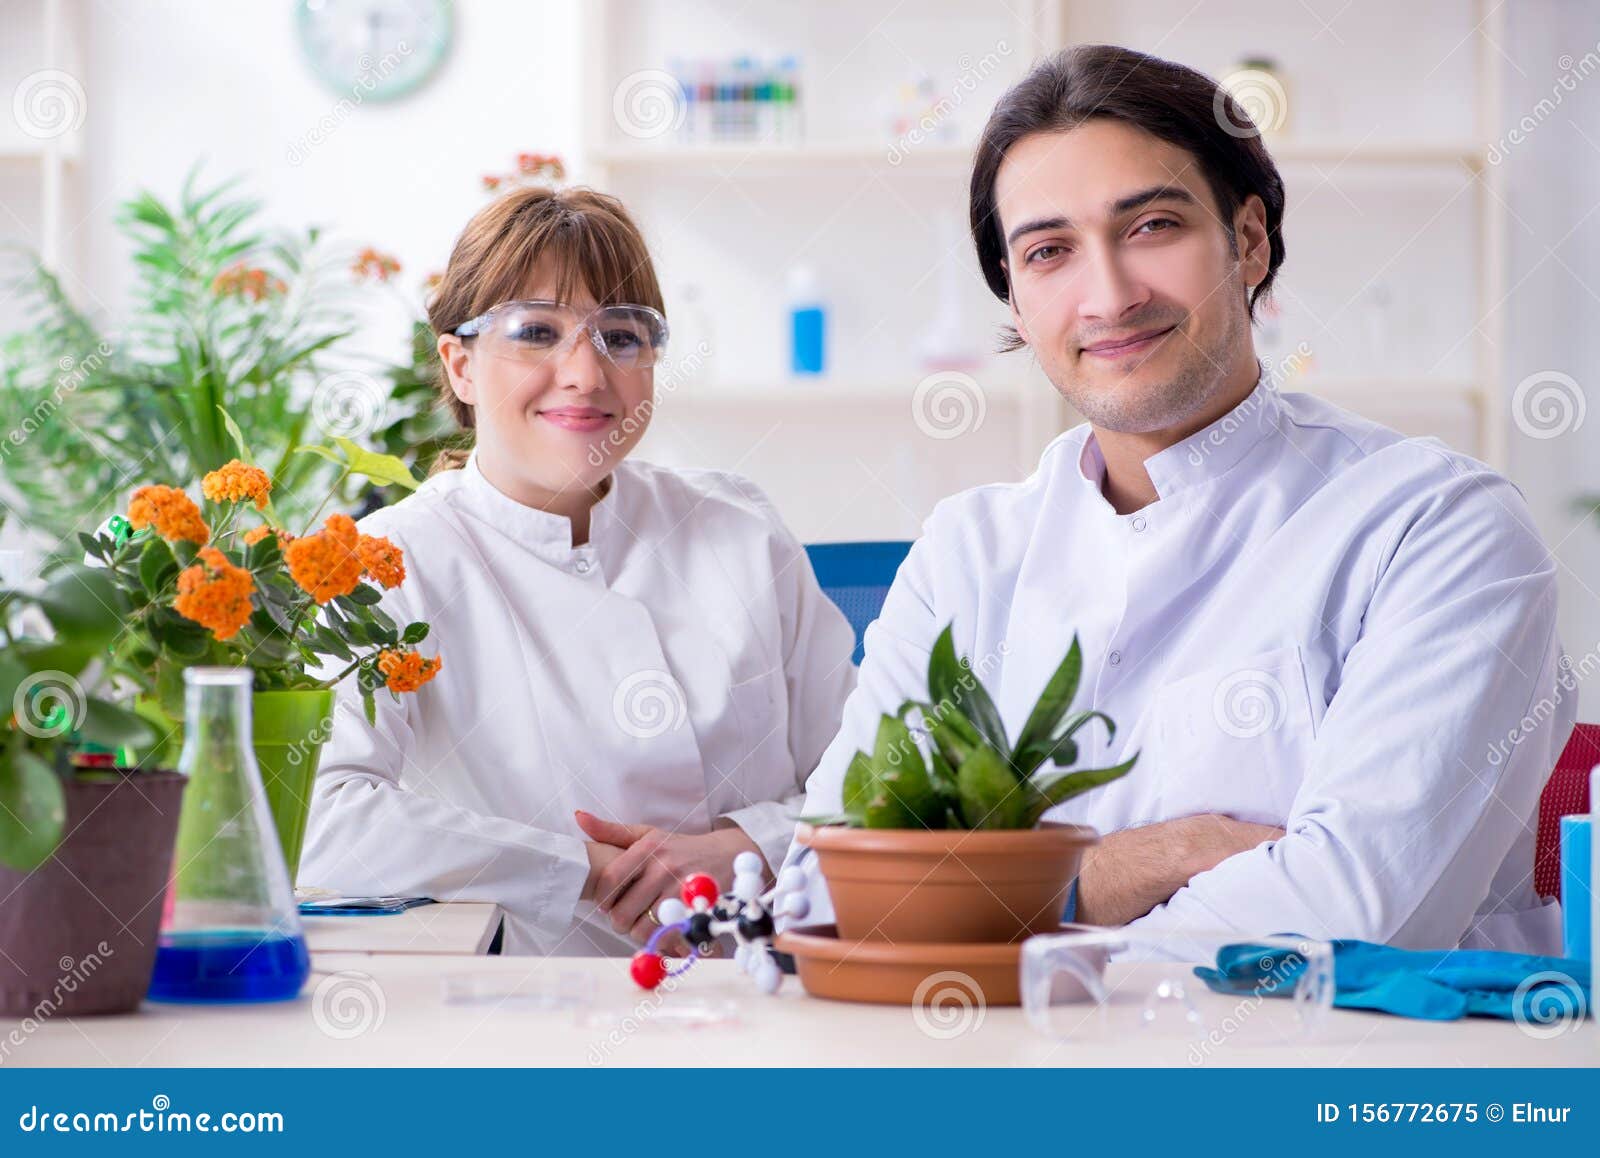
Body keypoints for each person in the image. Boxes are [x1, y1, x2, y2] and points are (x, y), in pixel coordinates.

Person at [789, 45, 1574, 954]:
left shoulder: (1436, 527)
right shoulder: (969, 553)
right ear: (1015, 296)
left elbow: (1352, 915)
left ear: (1248, 240)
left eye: (1153, 226)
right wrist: (1139, 861)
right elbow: (827, 891)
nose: (1110, 296)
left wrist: (981, 917)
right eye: (1049, 252)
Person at [300, 186, 856, 956]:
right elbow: (321, 818)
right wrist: (580, 870)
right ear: (459, 364)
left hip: (775, 1002)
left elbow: (876, 782)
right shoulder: (391, 564)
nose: (587, 375)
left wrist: (747, 845)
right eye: (536, 332)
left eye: (621, 337)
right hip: (532, 1027)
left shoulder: (738, 530)